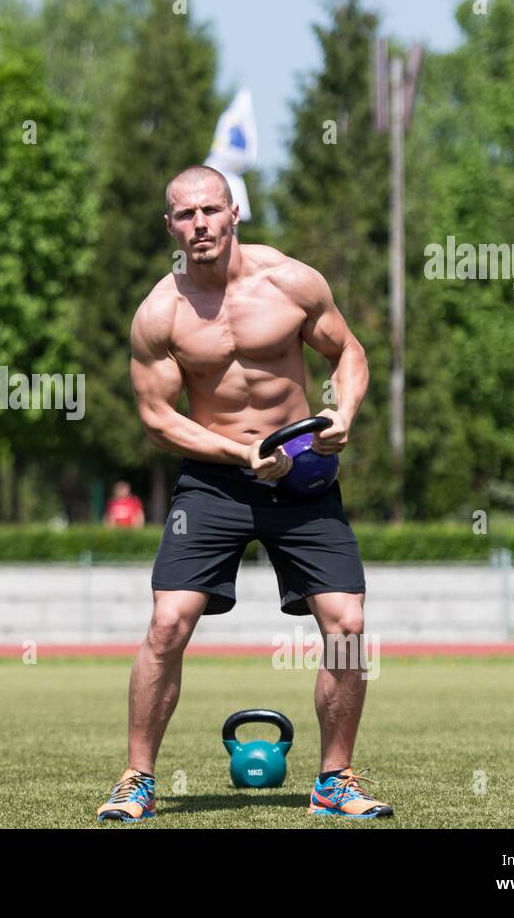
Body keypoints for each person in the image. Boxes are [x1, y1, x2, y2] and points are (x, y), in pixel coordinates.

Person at [95, 165, 392, 822]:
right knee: (168, 622)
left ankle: (334, 780)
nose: (199, 224)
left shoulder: (290, 282)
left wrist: (343, 414)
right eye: (184, 215)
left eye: (210, 210)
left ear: (234, 213)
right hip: (214, 482)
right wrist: (235, 452)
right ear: (169, 226)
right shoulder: (161, 313)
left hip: (302, 478)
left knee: (347, 625)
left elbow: (349, 354)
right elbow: (158, 416)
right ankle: (137, 779)